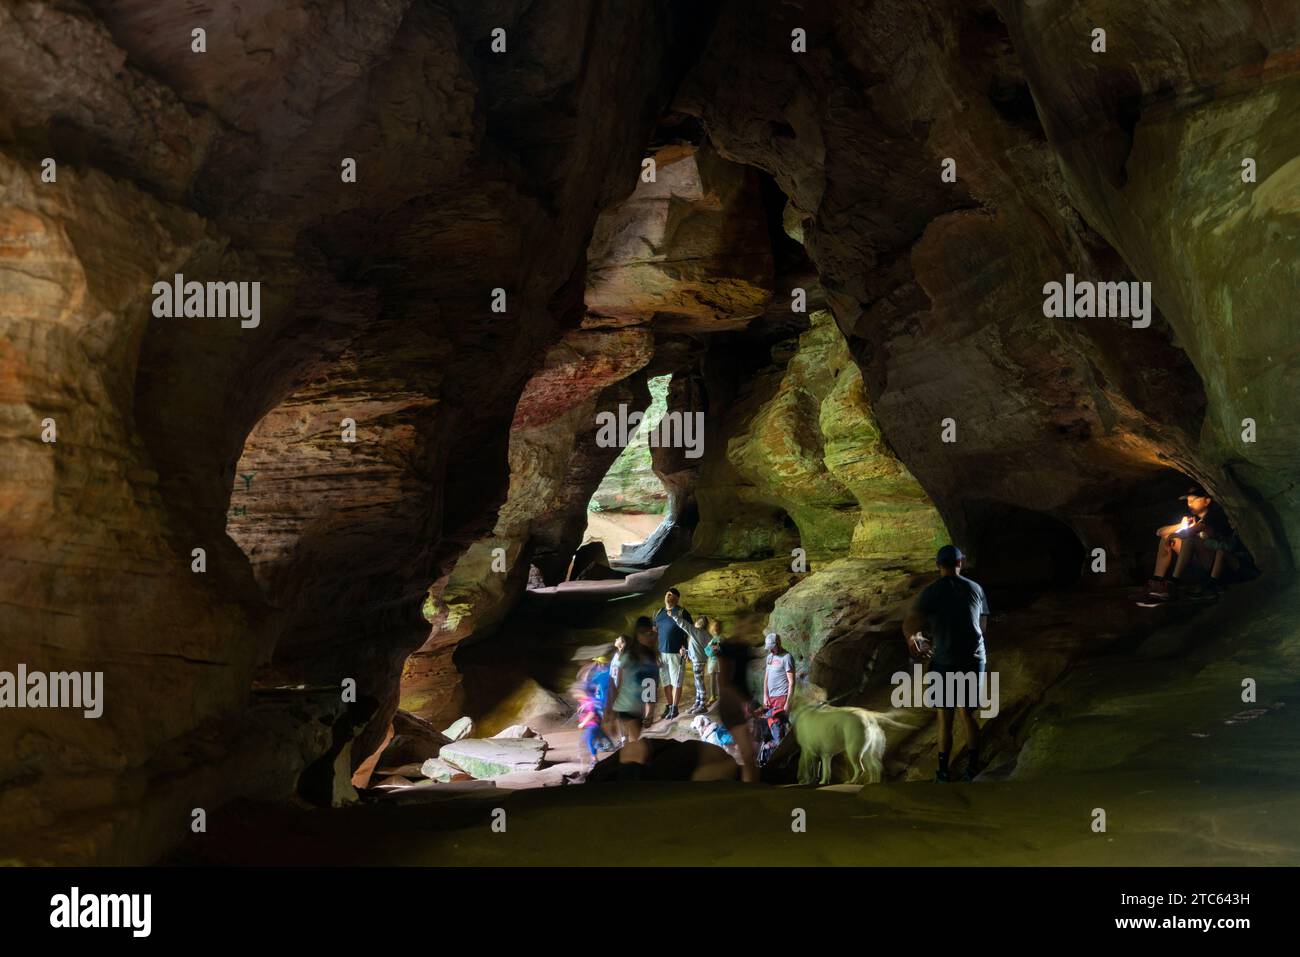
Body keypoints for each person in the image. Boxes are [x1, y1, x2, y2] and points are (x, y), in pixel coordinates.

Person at [902, 544, 990, 783]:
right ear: (960, 563)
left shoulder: (931, 592)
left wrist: (917, 642)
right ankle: (972, 769)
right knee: (968, 714)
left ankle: (942, 772)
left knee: (945, 718)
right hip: (973, 659)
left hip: (945, 661)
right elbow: (982, 627)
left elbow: (910, 623)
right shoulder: (976, 588)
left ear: (938, 565)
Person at [1147, 486, 1238, 601]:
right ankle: (1158, 581)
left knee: (1190, 539)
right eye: (1188, 501)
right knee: (1165, 538)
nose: (1190, 504)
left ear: (1207, 501)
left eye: (1194, 500)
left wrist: (1176, 534)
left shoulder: (1213, 517)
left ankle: (1173, 583)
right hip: (1198, 561)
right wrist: (1180, 526)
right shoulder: (1193, 519)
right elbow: (1159, 532)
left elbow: (1189, 533)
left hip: (1217, 566)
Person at [608, 618, 659, 779]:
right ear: (638, 635)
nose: (651, 637)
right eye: (647, 634)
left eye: (653, 633)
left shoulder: (646, 656)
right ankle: (630, 777)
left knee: (635, 742)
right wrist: (609, 712)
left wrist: (649, 710)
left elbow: (650, 685)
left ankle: (629, 774)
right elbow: (616, 682)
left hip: (634, 707)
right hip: (627, 707)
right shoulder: (632, 656)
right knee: (638, 743)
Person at [653, 588, 690, 721]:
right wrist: (654, 652)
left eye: (673, 596)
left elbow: (690, 632)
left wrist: (685, 649)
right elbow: (654, 633)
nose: (669, 598)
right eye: (668, 594)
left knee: (676, 682)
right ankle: (669, 706)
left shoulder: (682, 612)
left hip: (676, 654)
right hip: (661, 653)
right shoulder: (659, 613)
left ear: (677, 599)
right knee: (666, 682)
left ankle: (674, 709)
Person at [573, 653, 614, 770]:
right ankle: (606, 744)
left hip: (601, 703)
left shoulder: (601, 675)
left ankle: (596, 754)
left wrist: (588, 668)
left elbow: (586, 681)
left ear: (600, 663)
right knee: (597, 727)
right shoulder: (609, 672)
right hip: (604, 702)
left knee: (594, 729)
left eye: (597, 663)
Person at [668, 606, 711, 715]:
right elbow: (700, 647)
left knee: (699, 683)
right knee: (698, 683)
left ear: (699, 624)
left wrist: (674, 615)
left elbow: (684, 625)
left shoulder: (696, 632)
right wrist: (687, 652)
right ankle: (697, 703)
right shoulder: (707, 635)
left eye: (697, 622)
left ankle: (702, 705)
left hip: (697, 661)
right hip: (700, 660)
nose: (694, 623)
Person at [761, 633, 796, 743]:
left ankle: (781, 750)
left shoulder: (787, 657)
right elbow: (766, 678)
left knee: (778, 726)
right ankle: (777, 748)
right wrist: (765, 695)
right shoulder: (769, 658)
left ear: (778, 643)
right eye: (769, 648)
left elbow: (791, 682)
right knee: (771, 724)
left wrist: (788, 703)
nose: (770, 650)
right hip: (771, 697)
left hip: (782, 696)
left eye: (772, 647)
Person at [704, 621, 723, 706]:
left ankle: (714, 696)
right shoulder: (720, 638)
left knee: (714, 679)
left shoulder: (716, 639)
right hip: (718, 661)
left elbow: (713, 652)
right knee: (718, 679)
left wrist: (707, 650)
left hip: (714, 661)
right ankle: (718, 696)